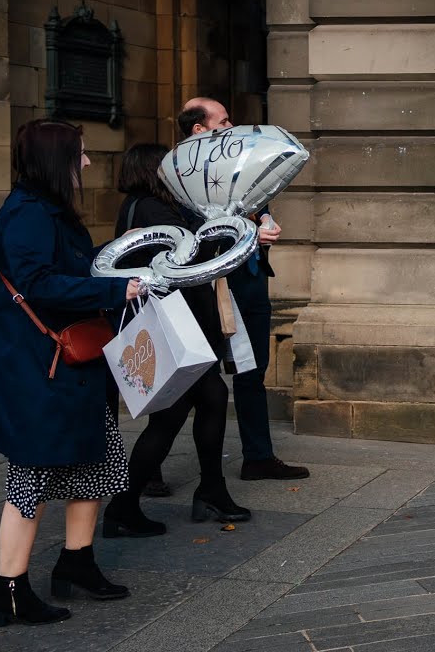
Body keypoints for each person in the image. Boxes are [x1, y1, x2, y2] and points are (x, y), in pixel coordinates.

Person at [0, 118, 142, 626]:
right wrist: (117, 291)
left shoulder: (50, 210)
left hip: (71, 371)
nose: (88, 162)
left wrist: (122, 258)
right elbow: (41, 284)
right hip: (39, 374)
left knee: (93, 465)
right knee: (31, 480)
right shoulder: (27, 213)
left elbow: (74, 268)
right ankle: (6, 591)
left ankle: (77, 562)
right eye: (81, 154)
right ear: (57, 159)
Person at [101, 142, 252, 537]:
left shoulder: (138, 206)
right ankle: (127, 505)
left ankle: (206, 491)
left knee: (206, 400)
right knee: (175, 413)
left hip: (172, 324)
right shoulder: (154, 210)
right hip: (175, 326)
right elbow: (187, 261)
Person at [176, 96, 309, 481]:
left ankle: (258, 456)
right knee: (196, 377)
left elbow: (258, 200)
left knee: (253, 373)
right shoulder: (183, 178)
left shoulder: (237, 166)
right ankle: (156, 466)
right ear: (199, 130)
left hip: (251, 284)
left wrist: (265, 220)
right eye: (224, 120)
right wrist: (250, 234)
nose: (231, 127)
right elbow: (199, 234)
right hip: (212, 289)